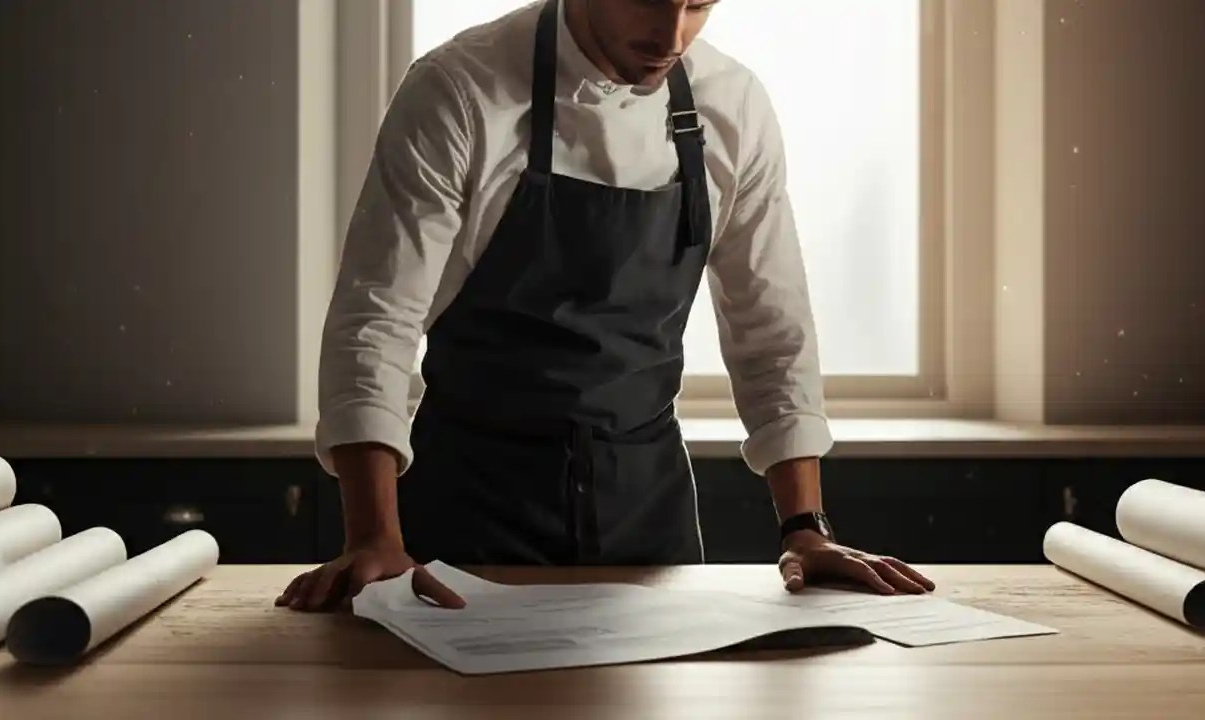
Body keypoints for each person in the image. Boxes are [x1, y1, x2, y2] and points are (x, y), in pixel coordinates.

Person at [276, 0, 934, 612]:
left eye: (698, 4)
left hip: (649, 525)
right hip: (465, 521)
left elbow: (772, 327)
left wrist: (805, 528)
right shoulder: (459, 90)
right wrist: (372, 537)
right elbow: (376, 320)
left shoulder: (733, 107)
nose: (671, 35)